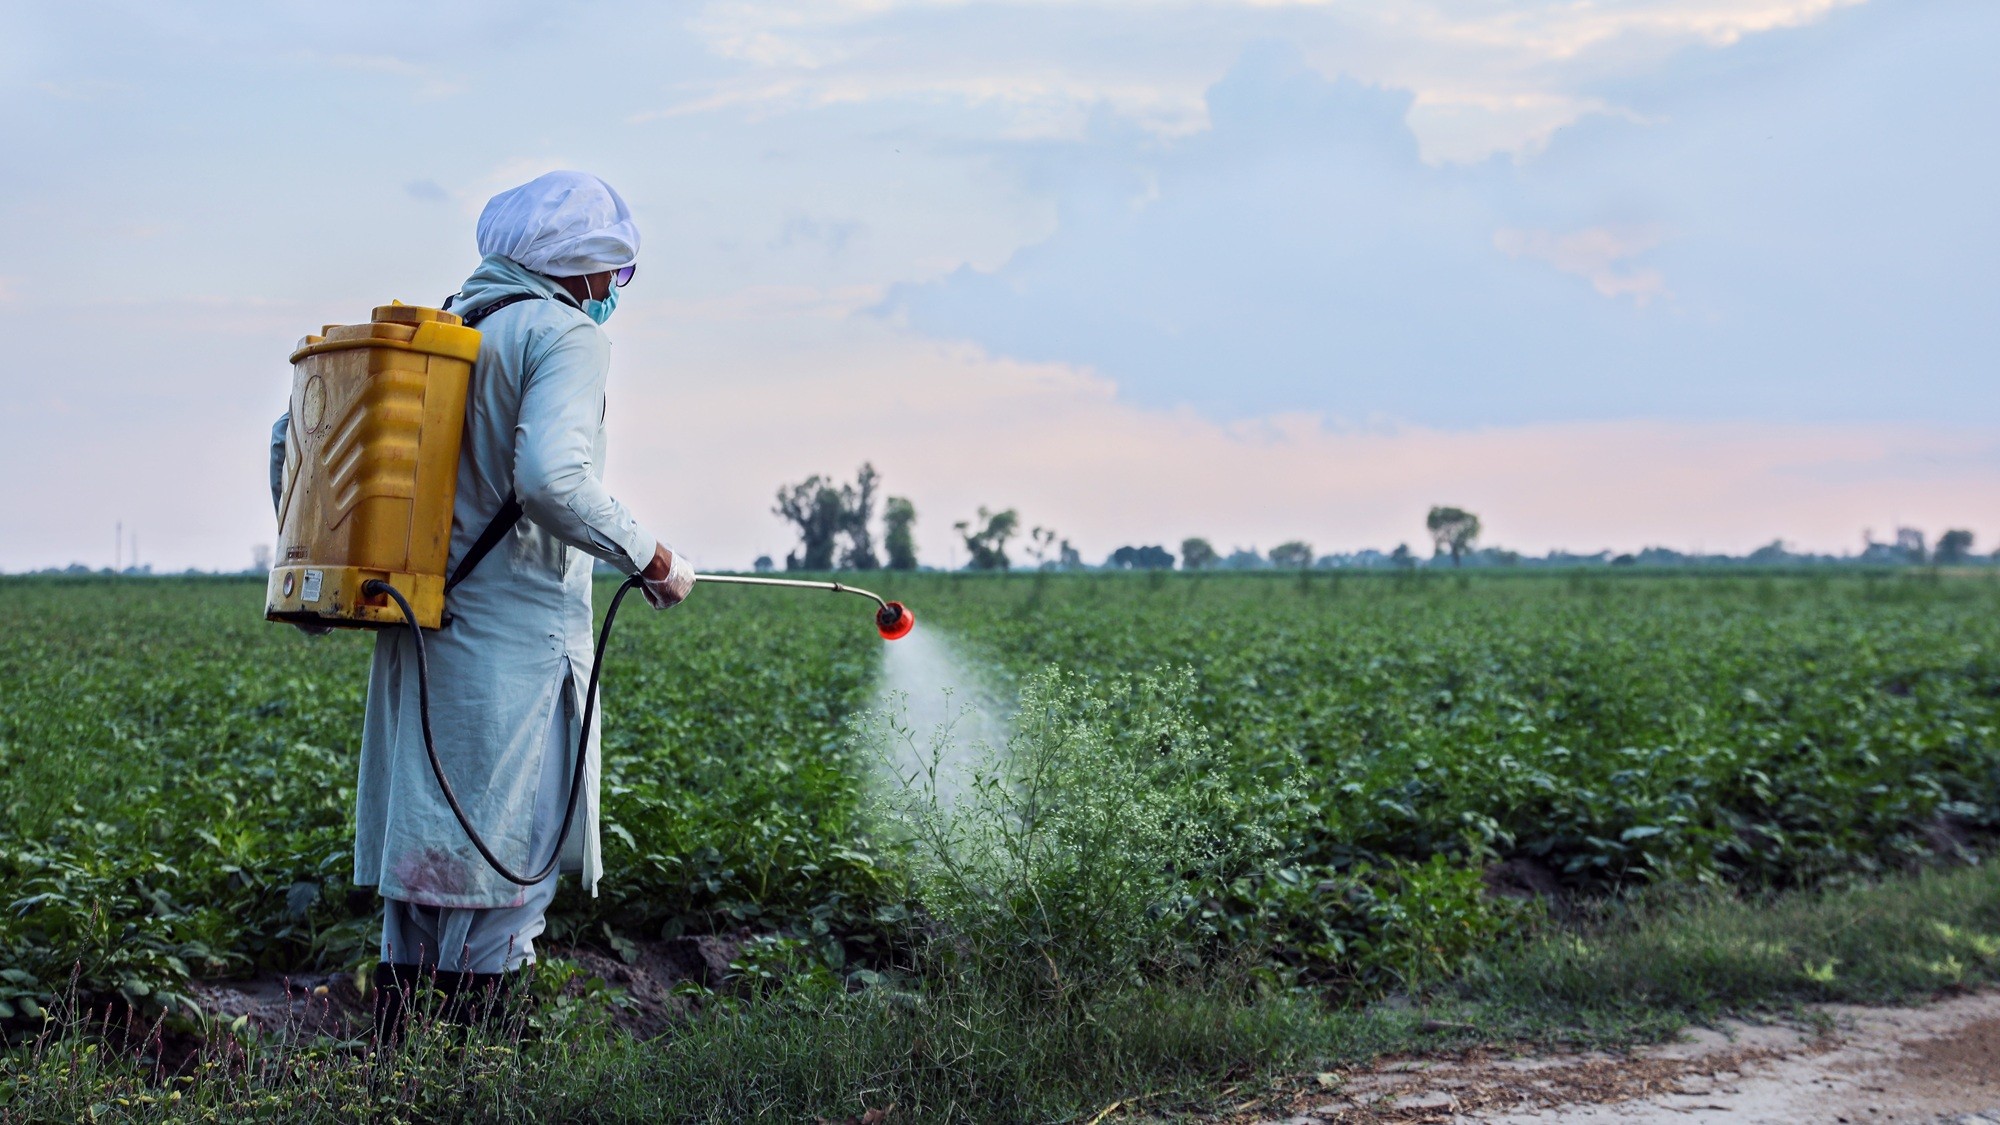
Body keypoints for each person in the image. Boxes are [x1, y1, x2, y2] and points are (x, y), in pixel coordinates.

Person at [267, 170, 694, 1032]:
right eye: (617, 274)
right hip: (514, 648)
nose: (615, 293)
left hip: (425, 630)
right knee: (507, 870)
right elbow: (550, 479)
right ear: (583, 268)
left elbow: (289, 441)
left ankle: (405, 1069)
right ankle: (477, 1075)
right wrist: (649, 556)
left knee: (421, 885)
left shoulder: (447, 329)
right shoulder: (566, 333)